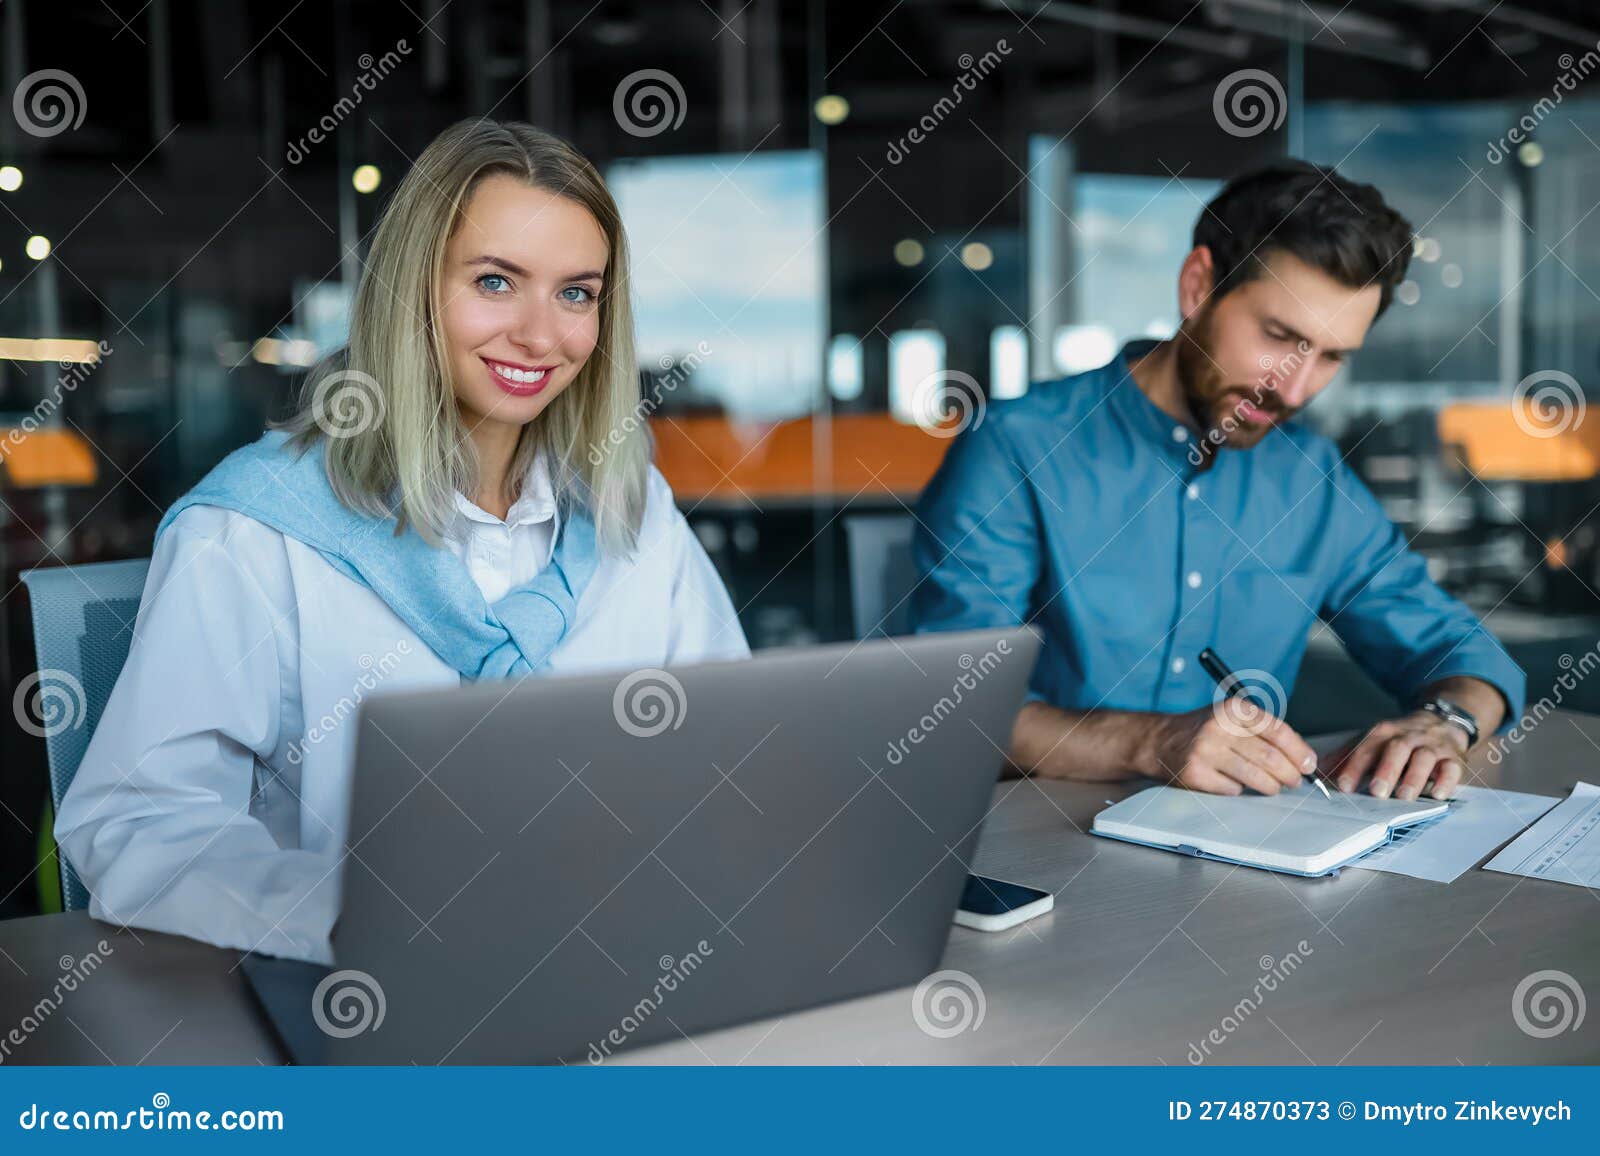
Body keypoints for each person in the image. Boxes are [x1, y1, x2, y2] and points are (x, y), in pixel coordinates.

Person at [55, 119, 748, 964]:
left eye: (577, 293)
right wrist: (367, 922)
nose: (541, 335)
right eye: (496, 282)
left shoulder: (632, 516)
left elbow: (731, 757)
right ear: (411, 289)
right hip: (365, 997)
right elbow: (139, 823)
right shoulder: (252, 530)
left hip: (620, 966)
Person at [910, 160, 1524, 803]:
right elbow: (952, 706)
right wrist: (1152, 743)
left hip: (1251, 860)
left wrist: (1446, 723)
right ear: (1199, 286)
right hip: (1036, 850)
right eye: (1279, 335)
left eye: (1332, 356)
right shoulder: (1017, 447)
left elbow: (1461, 652)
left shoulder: (1309, 478)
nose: (1293, 387)